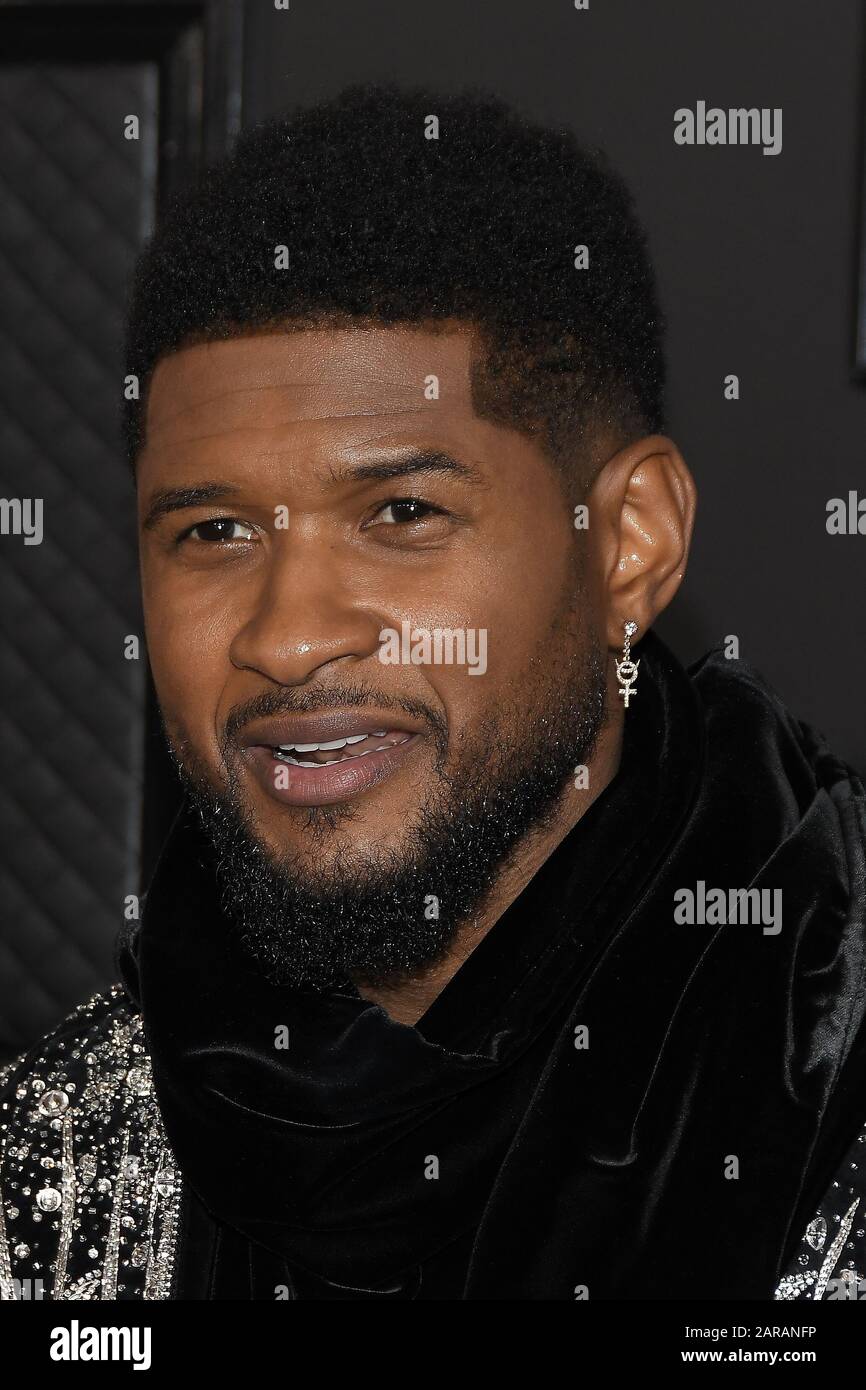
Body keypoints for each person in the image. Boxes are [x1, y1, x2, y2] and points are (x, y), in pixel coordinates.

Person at [1, 83, 864, 1303]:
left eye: (401, 512)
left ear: (627, 545)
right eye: (214, 531)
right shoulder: (61, 1156)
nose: (288, 637)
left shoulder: (820, 1067)